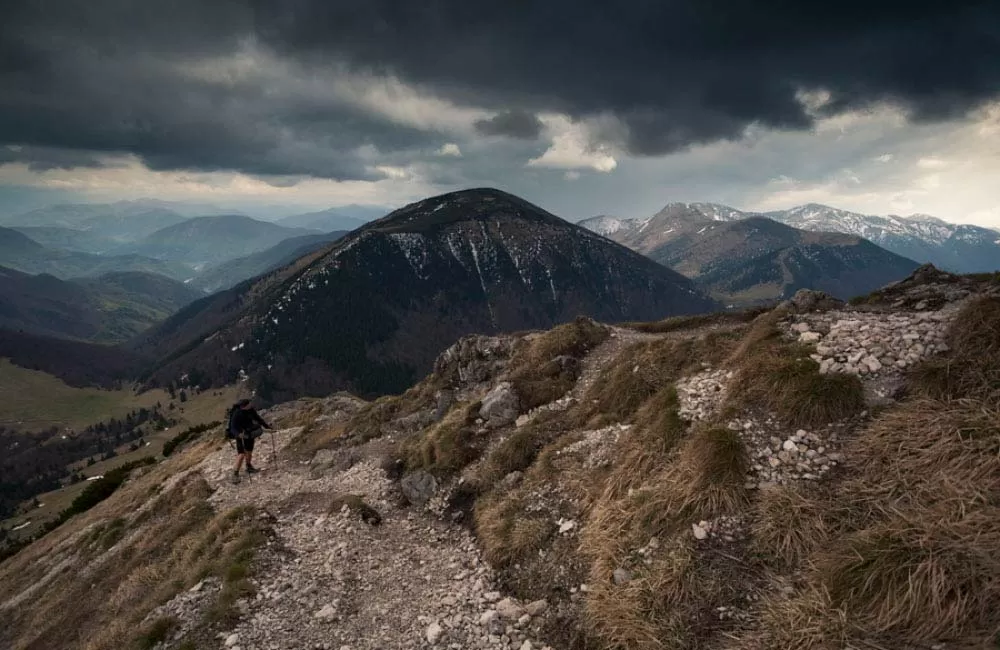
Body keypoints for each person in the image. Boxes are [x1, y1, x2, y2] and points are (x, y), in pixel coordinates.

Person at [230, 398, 271, 483]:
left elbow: (258, 419)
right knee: (241, 454)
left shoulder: (251, 410)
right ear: (245, 406)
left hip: (249, 433)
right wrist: (238, 434)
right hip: (241, 436)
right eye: (249, 404)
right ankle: (235, 474)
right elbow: (232, 427)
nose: (251, 405)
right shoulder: (237, 413)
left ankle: (249, 467)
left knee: (249, 451)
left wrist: (267, 427)